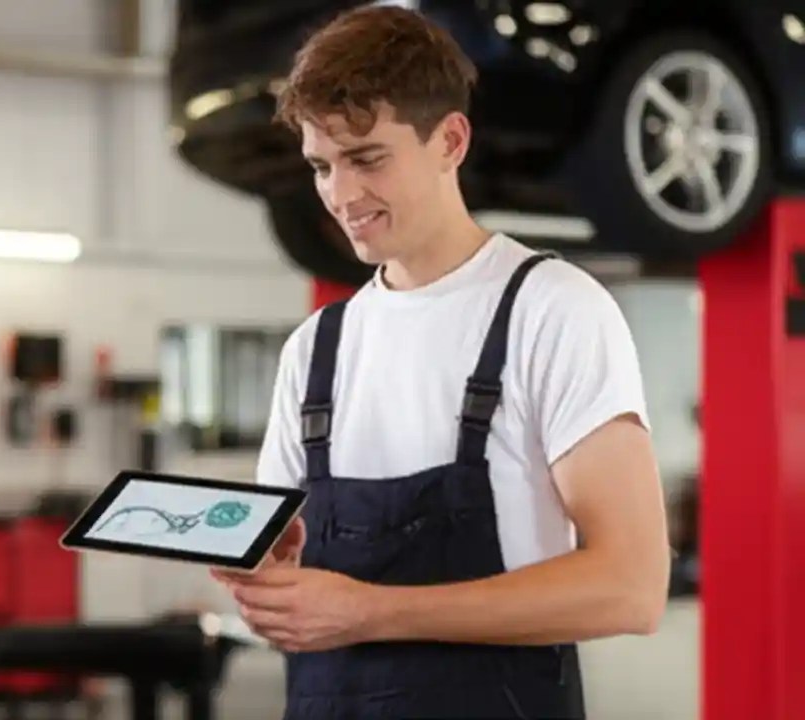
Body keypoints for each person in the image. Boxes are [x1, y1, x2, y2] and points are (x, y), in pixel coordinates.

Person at [213, 6, 670, 719]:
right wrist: (270, 583)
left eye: (367, 159)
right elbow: (300, 593)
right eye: (321, 166)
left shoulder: (550, 311)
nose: (341, 195)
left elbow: (632, 586)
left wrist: (369, 611)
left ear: (450, 140)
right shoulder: (316, 350)